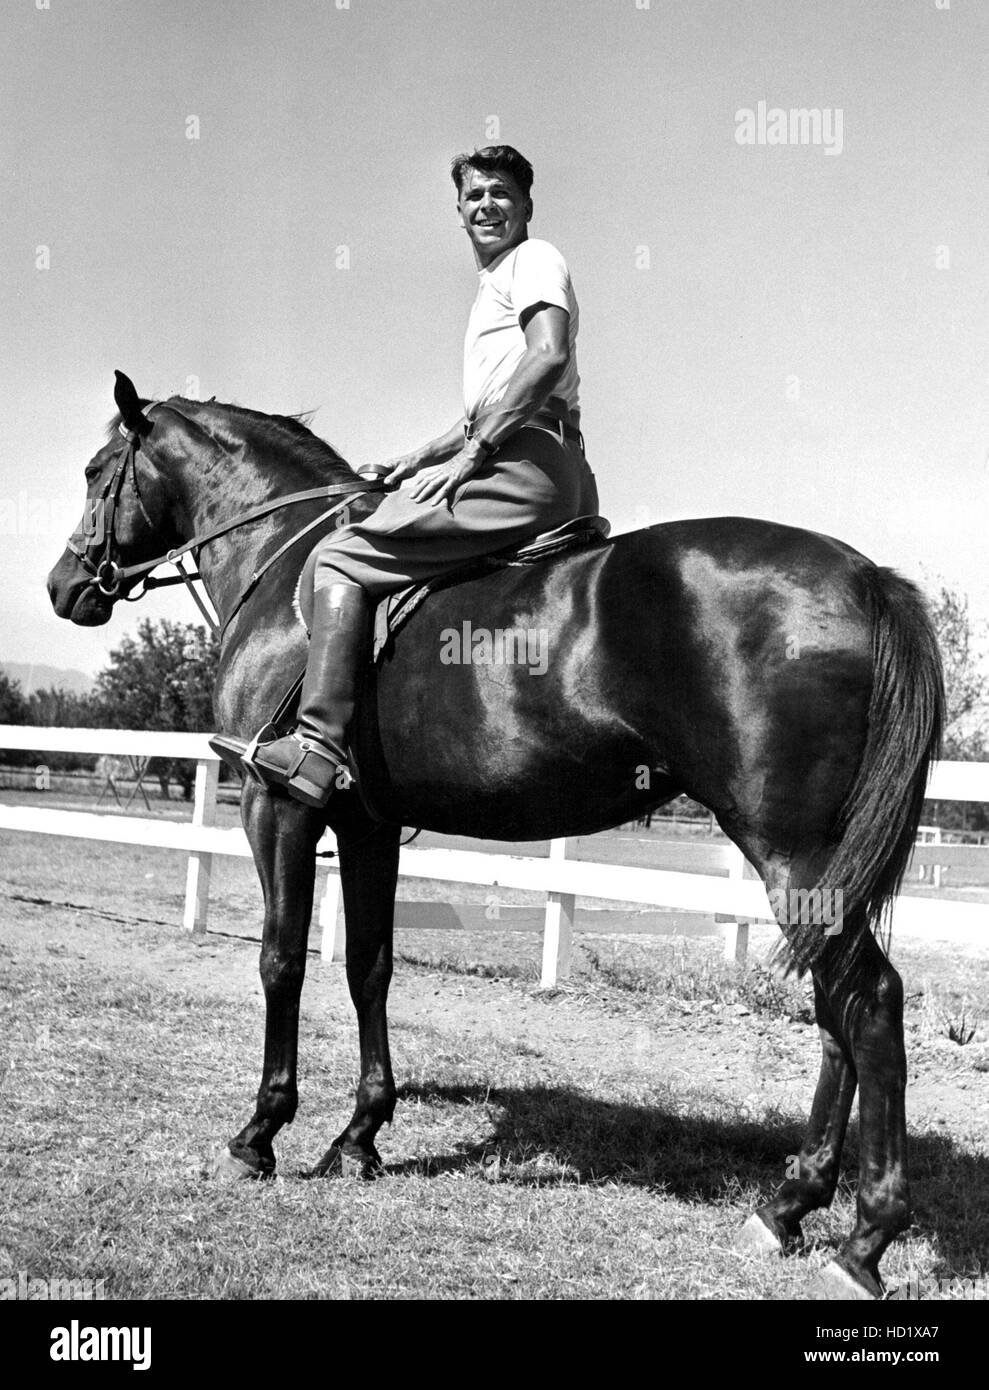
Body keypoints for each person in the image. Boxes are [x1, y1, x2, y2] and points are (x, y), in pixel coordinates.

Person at [230, 144, 599, 807]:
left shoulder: (533, 260)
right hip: (531, 455)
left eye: (501, 194)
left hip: (524, 466)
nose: (487, 204)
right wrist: (417, 459)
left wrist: (471, 456)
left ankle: (316, 745)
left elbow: (547, 358)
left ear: (526, 208)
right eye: (475, 195)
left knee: (339, 555)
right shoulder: (497, 283)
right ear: (458, 211)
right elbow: (489, 405)